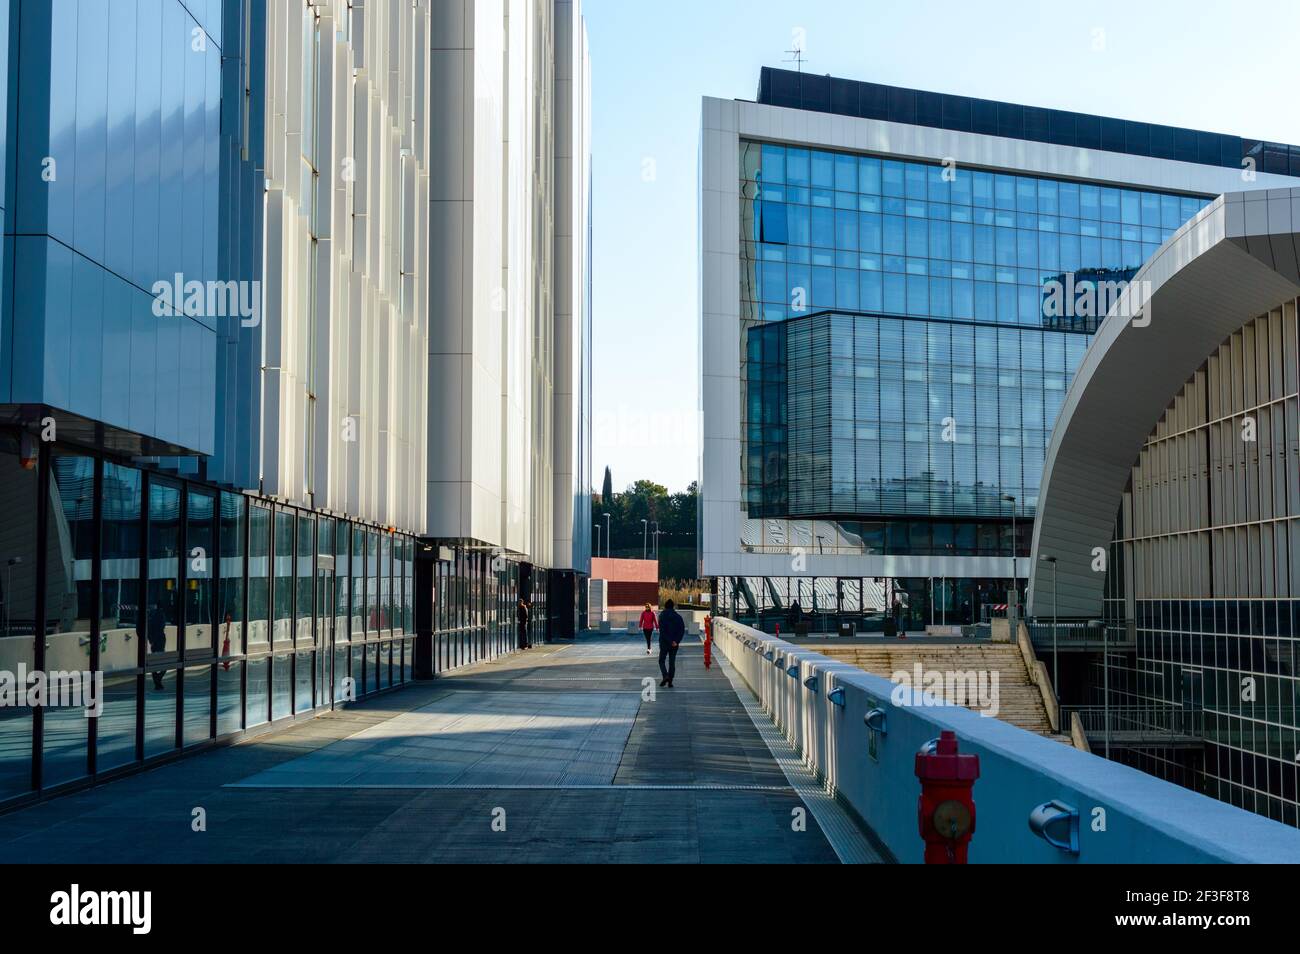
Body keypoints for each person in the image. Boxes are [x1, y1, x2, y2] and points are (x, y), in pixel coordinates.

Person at [657, 599, 685, 688]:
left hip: (664, 642)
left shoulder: (662, 616)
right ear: (673, 606)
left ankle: (665, 676)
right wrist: (676, 641)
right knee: (672, 662)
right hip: (674, 644)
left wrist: (669, 641)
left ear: (665, 606)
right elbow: (681, 630)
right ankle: (670, 682)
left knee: (661, 660)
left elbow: (662, 631)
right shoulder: (678, 617)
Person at [146, 605, 168, 690]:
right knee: (164, 663)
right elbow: (162, 625)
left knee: (154, 662)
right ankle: (158, 680)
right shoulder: (160, 615)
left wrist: (151, 640)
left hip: (154, 642)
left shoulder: (150, 616)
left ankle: (157, 681)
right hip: (160, 641)